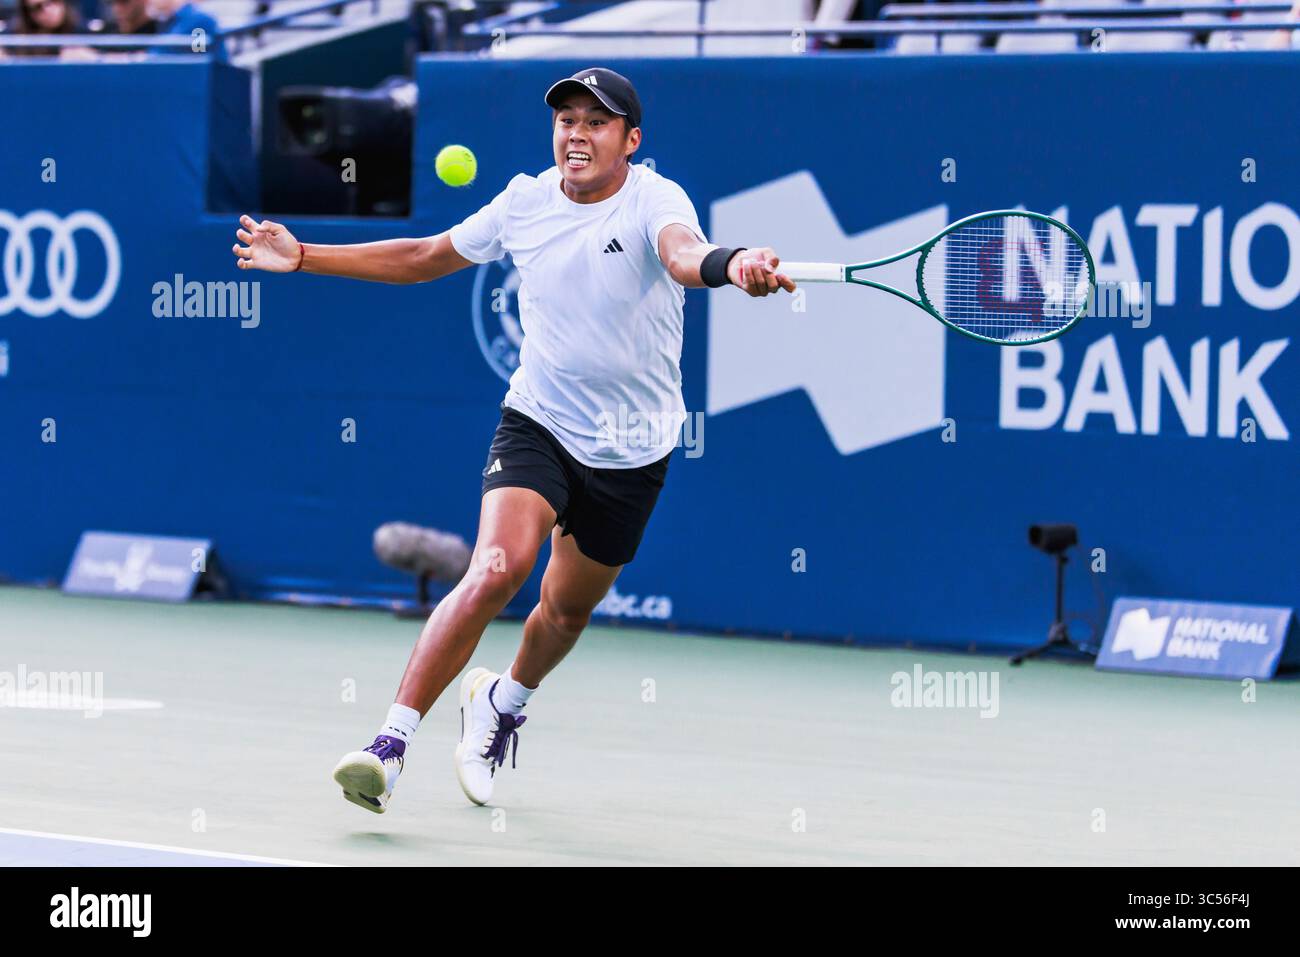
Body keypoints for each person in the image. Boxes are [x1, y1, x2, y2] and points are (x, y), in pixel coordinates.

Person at [232, 67, 795, 813]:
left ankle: (501, 702)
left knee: (563, 612)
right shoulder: (524, 202)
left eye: (596, 122)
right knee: (497, 567)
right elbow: (427, 256)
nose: (576, 134)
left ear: (631, 141)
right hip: (541, 419)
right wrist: (307, 256)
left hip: (633, 446)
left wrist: (731, 265)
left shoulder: (656, 199)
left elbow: (684, 255)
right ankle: (390, 745)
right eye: (566, 120)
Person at [5, 0, 93, 58]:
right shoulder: (15, 37)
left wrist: (92, 58)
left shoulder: (82, 30)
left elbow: (104, 58)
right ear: (28, 13)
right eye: (38, 7)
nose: (49, 10)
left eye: (54, 1)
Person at [149, 0, 225, 59]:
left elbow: (169, 50)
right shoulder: (169, 20)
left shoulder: (199, 19)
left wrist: (147, 57)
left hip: (211, 76)